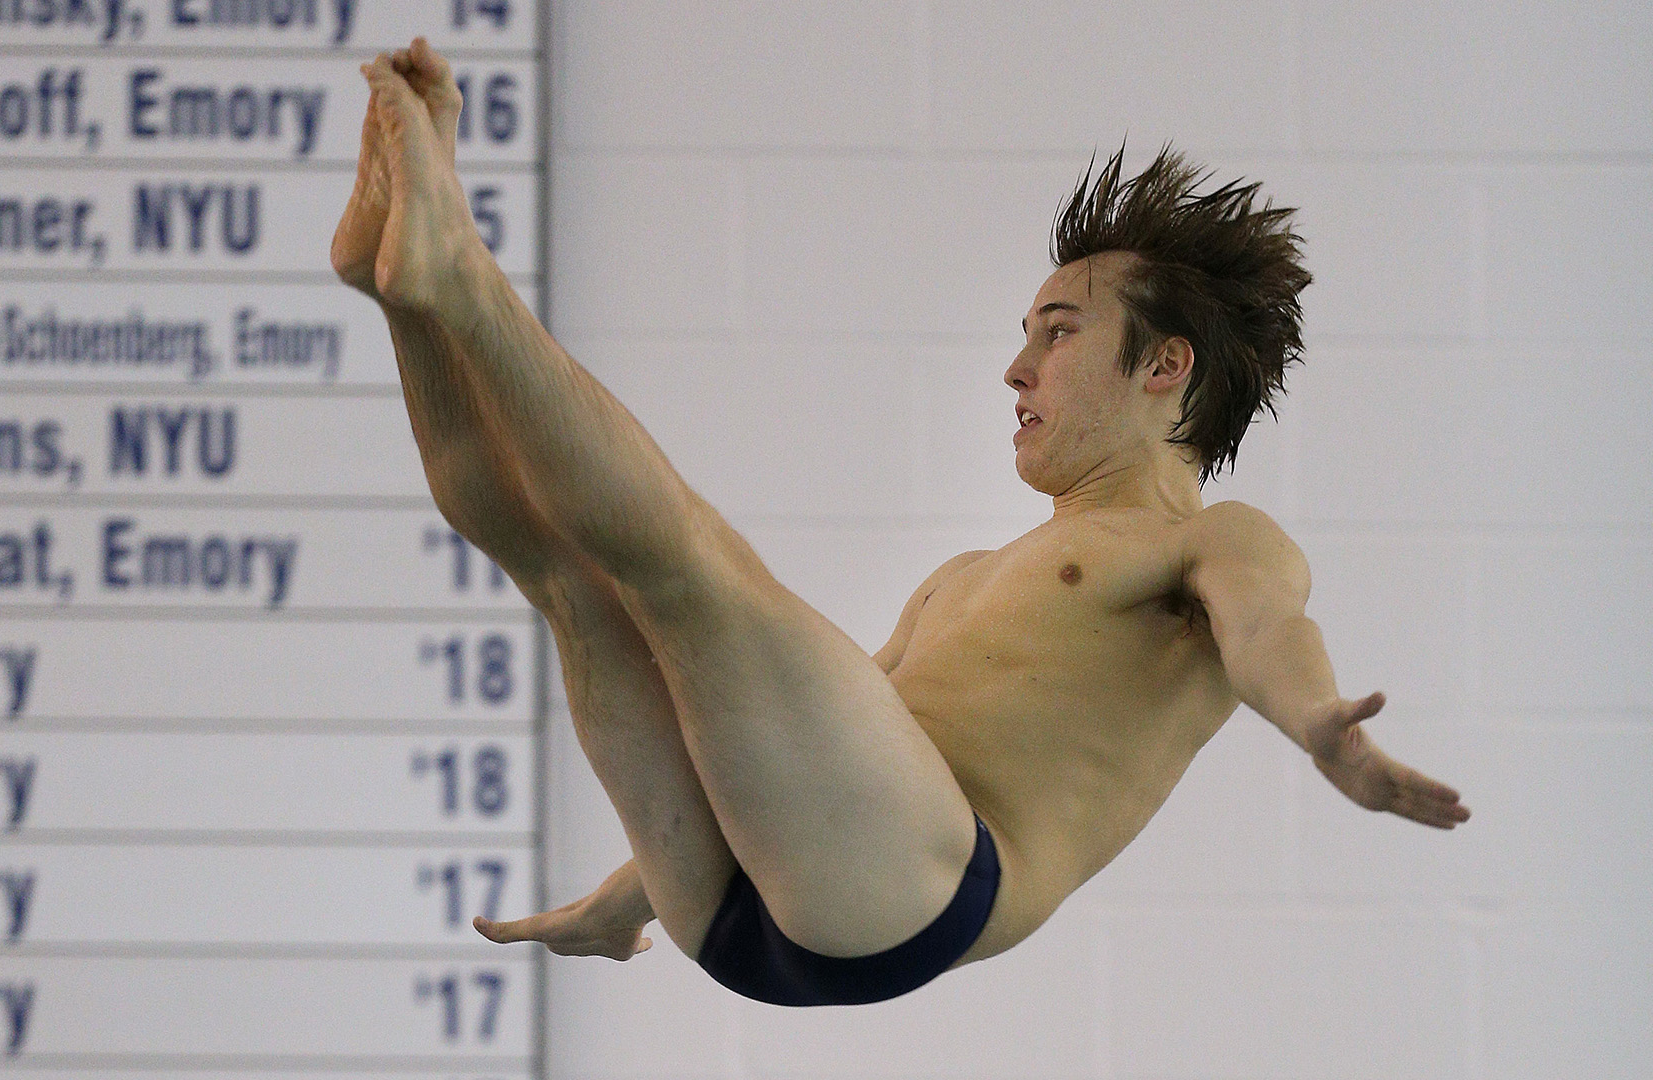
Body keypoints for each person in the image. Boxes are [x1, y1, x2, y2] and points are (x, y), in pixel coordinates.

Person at [333, 39, 1471, 1007]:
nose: (1017, 368)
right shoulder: (964, 577)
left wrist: (1323, 723)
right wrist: (618, 898)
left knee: (691, 565)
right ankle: (405, 297)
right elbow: (787, 753)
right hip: (733, 908)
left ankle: (458, 271)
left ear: (1165, 367)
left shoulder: (1212, 542)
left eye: (1060, 334)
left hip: (924, 888)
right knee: (569, 577)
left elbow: (1268, 628)